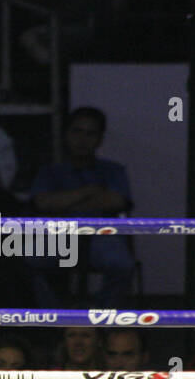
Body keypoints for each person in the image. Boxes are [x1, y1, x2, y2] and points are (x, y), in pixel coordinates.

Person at [27, 106, 135, 306]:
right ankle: (57, 323)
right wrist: (89, 191)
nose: (82, 140)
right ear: (66, 134)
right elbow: (43, 203)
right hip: (59, 235)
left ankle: (98, 324)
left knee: (121, 265)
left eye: (90, 134)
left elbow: (116, 201)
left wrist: (63, 201)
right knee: (30, 259)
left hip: (102, 233)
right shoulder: (50, 172)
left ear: (100, 139)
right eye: (76, 131)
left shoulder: (113, 170)